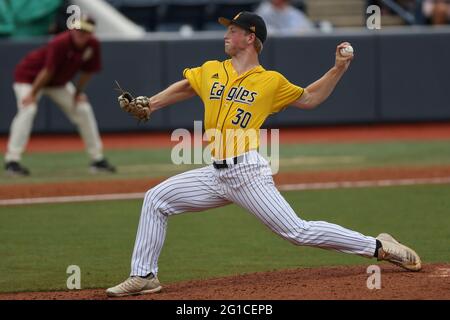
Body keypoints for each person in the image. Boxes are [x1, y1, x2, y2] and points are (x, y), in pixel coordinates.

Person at [106, 12, 421, 297]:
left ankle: (380, 247)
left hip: (246, 173)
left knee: (297, 231)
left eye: (232, 30)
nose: (226, 36)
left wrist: (338, 68)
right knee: (156, 199)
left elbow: (310, 98)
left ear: (250, 37)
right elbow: (187, 86)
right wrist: (150, 103)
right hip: (215, 174)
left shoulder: (270, 81)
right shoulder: (213, 69)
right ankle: (144, 275)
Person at [4, 16, 116, 176]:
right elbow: (47, 71)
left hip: (57, 83)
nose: (81, 33)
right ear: (72, 29)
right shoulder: (61, 42)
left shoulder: (93, 45)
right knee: (28, 110)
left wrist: (77, 94)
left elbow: (88, 71)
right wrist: (32, 94)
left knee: (83, 109)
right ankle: (12, 161)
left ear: (91, 33)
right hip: (30, 78)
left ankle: (97, 159)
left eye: (85, 31)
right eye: (78, 29)